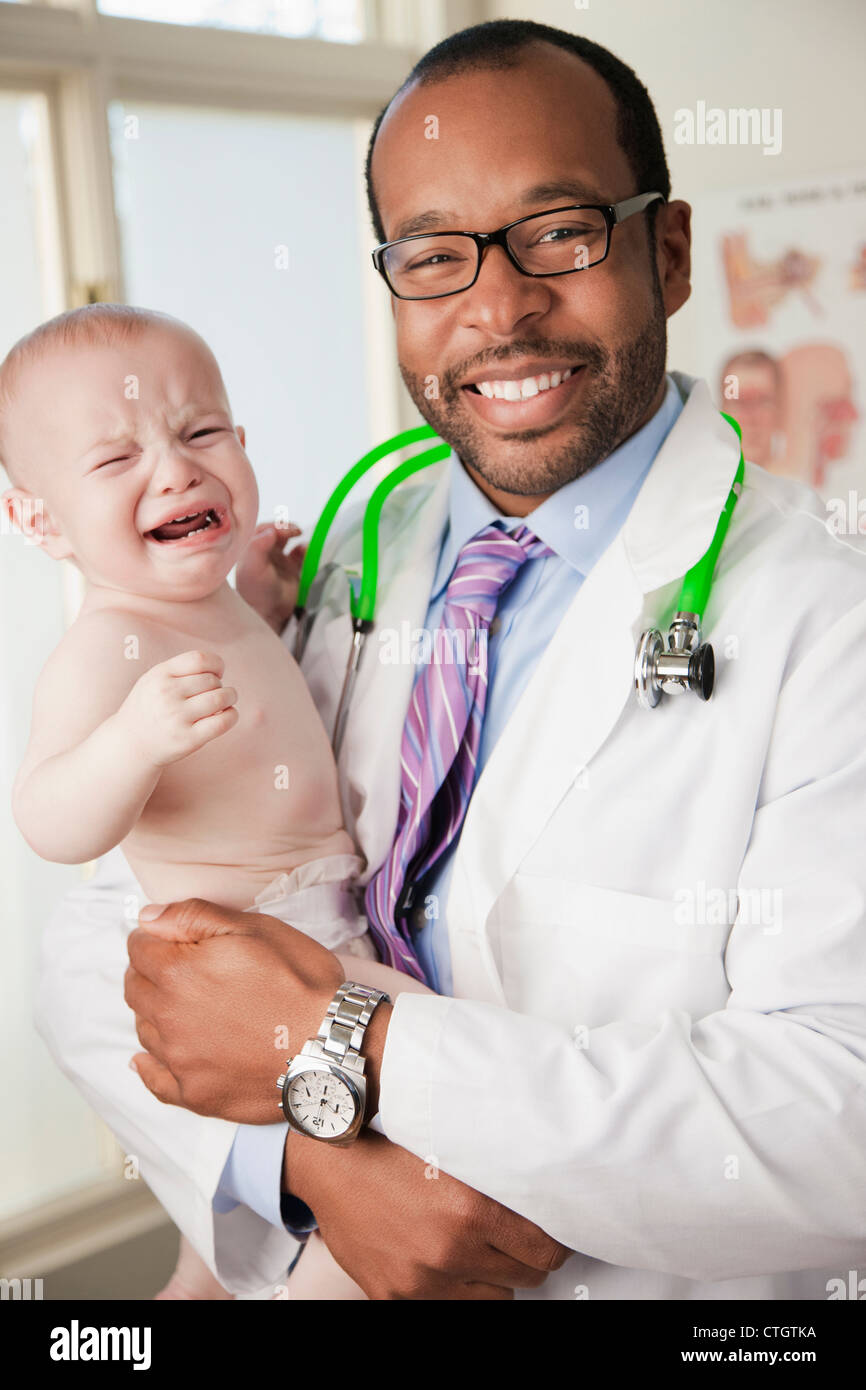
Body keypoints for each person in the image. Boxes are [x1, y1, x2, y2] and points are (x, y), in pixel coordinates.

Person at [34, 19, 866, 1300]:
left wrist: (343, 1044)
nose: (496, 305)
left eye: (560, 233)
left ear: (670, 249)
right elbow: (103, 925)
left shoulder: (826, 616)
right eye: (433, 256)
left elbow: (835, 1120)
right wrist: (309, 1172)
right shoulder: (344, 548)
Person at [0, 305, 433, 1300]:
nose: (176, 471)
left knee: (218, 1231)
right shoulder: (107, 647)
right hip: (252, 944)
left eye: (201, 434)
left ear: (240, 443)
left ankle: (192, 1287)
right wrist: (130, 741)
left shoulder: (211, 601)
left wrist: (265, 602)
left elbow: (254, 710)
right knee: (421, 1092)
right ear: (38, 519)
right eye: (115, 460)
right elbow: (49, 815)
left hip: (307, 918)